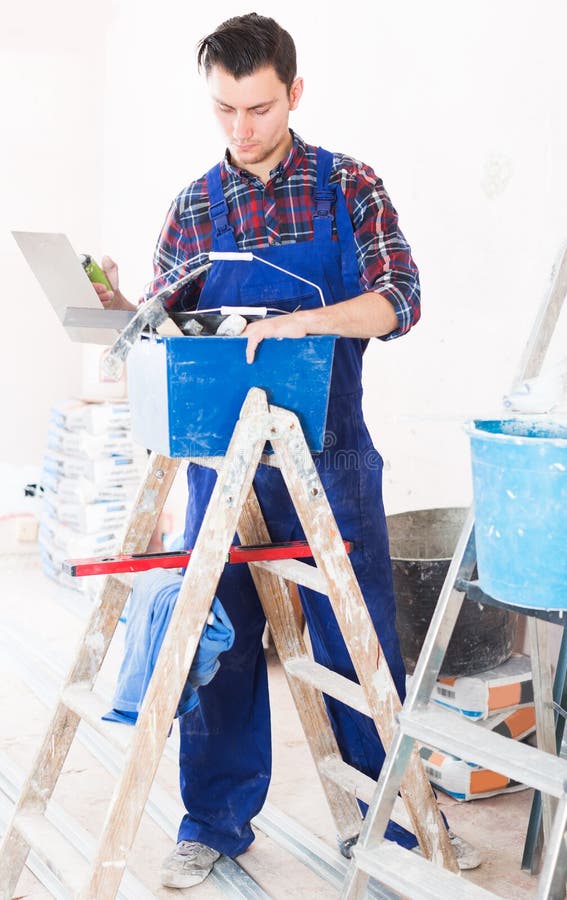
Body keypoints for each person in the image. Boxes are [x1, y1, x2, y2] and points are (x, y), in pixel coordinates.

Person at [95, 12, 480, 889]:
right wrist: (122, 311)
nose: (241, 129)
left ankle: (384, 824)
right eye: (225, 109)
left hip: (329, 457)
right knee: (219, 646)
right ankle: (214, 822)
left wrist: (309, 320)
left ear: (293, 93)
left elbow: (400, 298)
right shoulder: (194, 204)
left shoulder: (348, 186)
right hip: (220, 466)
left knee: (357, 644)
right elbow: (170, 332)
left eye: (259, 108)